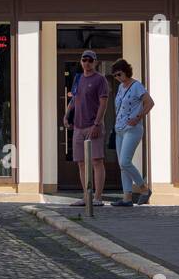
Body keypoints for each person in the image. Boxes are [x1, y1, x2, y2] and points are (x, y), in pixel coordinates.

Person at [65, 50, 110, 205]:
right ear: (81, 61)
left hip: (93, 125)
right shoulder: (78, 79)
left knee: (96, 161)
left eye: (90, 60)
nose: (87, 63)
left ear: (95, 62)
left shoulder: (100, 79)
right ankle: (86, 196)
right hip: (78, 126)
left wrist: (97, 123)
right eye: (84, 60)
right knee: (81, 163)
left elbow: (103, 103)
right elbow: (73, 99)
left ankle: (98, 197)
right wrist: (66, 115)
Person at [109, 58, 154, 206]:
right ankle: (127, 197)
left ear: (126, 71)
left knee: (125, 161)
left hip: (133, 129)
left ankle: (143, 189)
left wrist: (137, 117)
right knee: (122, 165)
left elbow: (150, 102)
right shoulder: (121, 87)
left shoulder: (136, 86)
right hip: (120, 129)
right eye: (115, 76)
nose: (117, 78)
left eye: (119, 74)